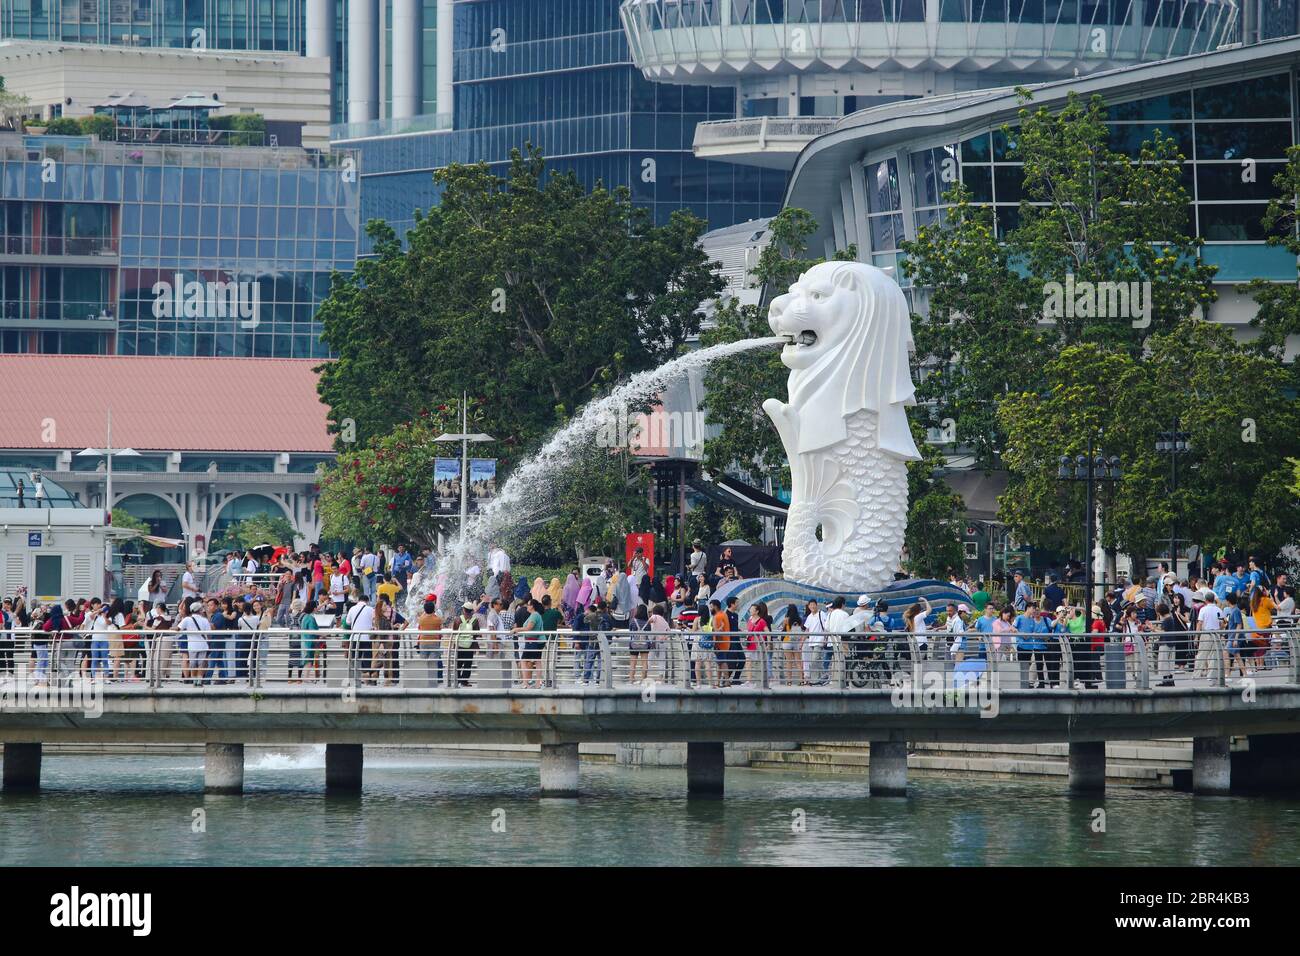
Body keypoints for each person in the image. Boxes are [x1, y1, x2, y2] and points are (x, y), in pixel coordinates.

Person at [513, 599, 544, 689]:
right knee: (537, 662)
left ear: (532, 606)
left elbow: (528, 628)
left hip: (532, 640)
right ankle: (537, 683)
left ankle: (526, 683)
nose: (527, 606)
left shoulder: (534, 615)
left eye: (529, 604)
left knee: (524, 661)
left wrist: (516, 630)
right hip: (536, 641)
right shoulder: (536, 615)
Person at [803, 600, 829, 686]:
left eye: (813, 605)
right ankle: (821, 678)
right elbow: (807, 630)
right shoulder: (809, 616)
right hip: (812, 642)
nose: (812, 607)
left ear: (816, 605)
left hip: (819, 640)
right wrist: (801, 641)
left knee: (814, 660)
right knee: (816, 661)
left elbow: (826, 627)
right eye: (810, 605)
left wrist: (825, 638)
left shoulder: (821, 614)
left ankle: (817, 679)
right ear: (808, 606)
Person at [780, 603, 804, 685]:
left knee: (789, 662)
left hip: (787, 641)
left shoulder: (786, 619)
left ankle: (789, 681)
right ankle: (801, 681)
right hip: (796, 642)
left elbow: (782, 629)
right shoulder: (799, 619)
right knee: (798, 662)